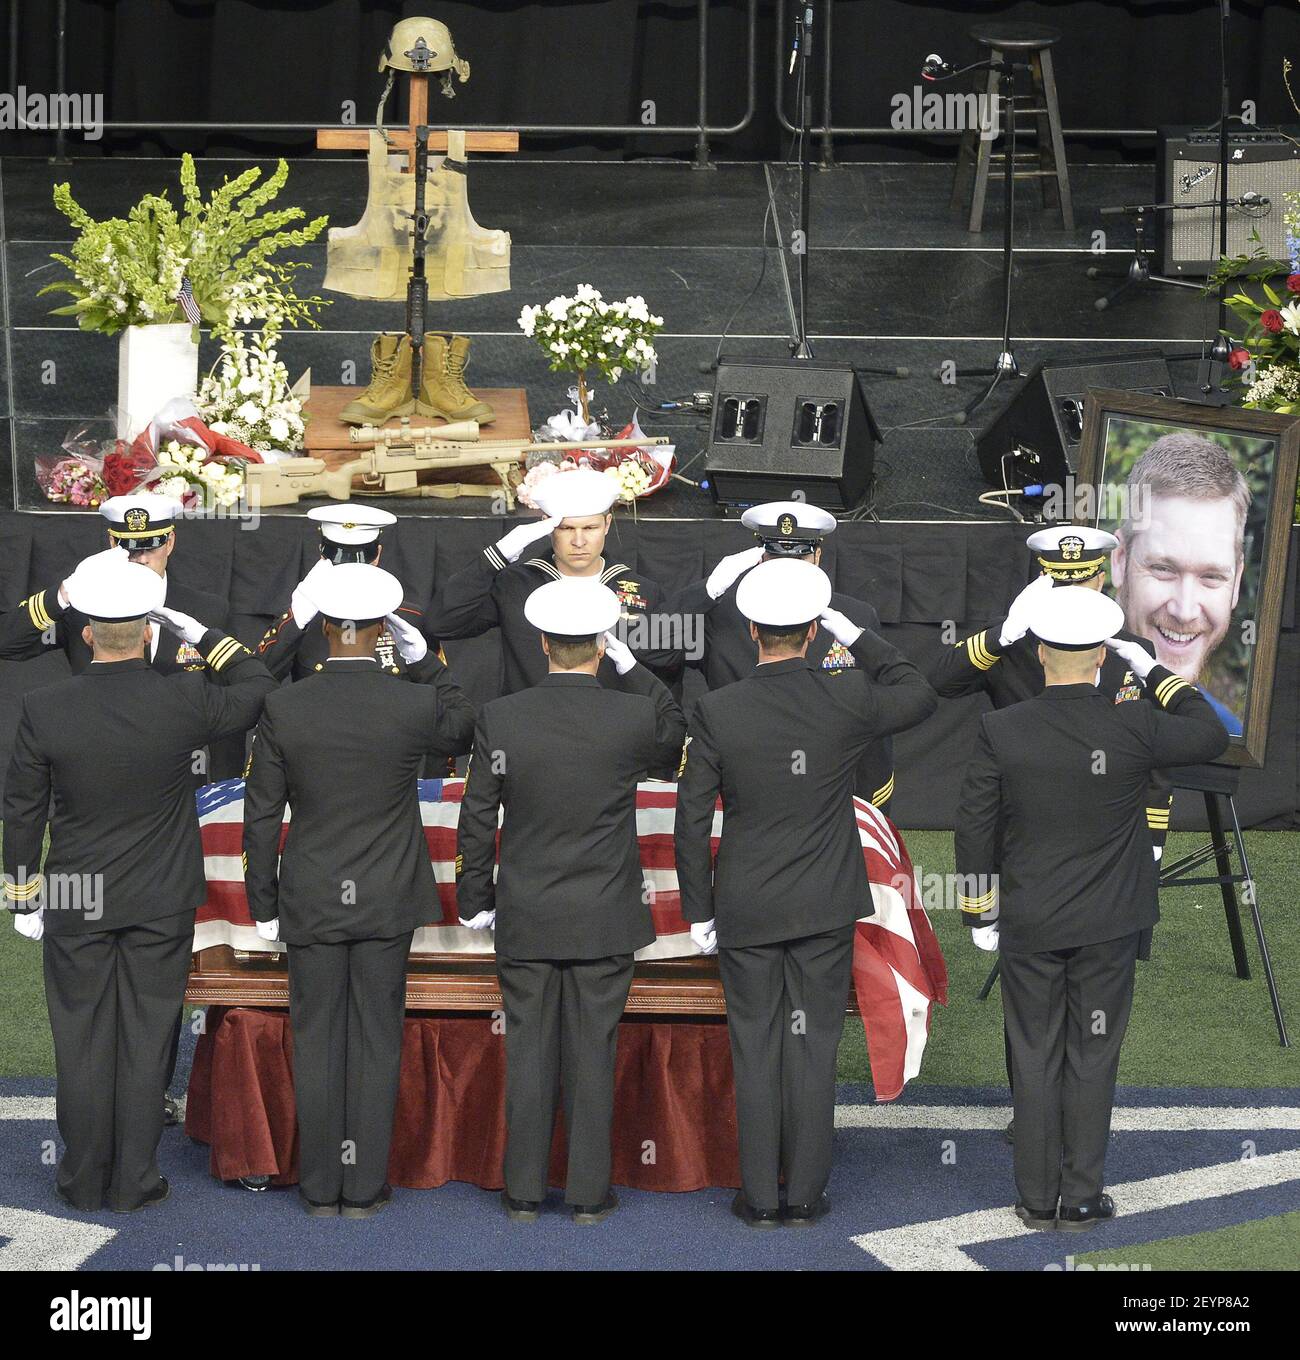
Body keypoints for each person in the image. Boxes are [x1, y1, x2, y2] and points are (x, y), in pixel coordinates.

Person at [2, 555, 274, 1212]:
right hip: (161, 894)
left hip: (76, 893)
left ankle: (82, 1179)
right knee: (149, 1034)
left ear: (87, 631)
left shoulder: (43, 706)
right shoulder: (183, 697)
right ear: (149, 631)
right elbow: (258, 682)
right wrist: (204, 635)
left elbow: (21, 811)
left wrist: (22, 893)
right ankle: (135, 1180)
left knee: (82, 1036)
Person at [954, 587, 1229, 1231]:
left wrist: (979, 911)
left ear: (1042, 652)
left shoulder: (1002, 727)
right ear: (1105, 656)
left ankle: (1034, 1198)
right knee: (1094, 1051)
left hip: (1030, 920)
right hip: (1110, 923)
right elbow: (1211, 734)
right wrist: (1155, 672)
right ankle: (1081, 1197)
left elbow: (974, 828)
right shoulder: (1133, 722)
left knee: (1034, 1050)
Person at [673, 559, 936, 1228]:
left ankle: (761, 1196)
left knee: (755, 1046)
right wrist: (863, 637)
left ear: (752, 629)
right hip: (823, 901)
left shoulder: (718, 709)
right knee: (814, 1045)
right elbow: (917, 691)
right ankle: (807, 1195)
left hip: (747, 901)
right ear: (816, 630)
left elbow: (691, 818)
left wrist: (699, 910)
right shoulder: (843, 694)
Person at [242, 563, 474, 1219]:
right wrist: (424, 661)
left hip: (312, 892)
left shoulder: (284, 707)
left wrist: (263, 903)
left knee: (316, 1039)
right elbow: (464, 723)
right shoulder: (413, 701)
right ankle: (364, 1185)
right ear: (382, 629)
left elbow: (262, 816)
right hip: (386, 893)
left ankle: (320, 1188)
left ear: (321, 630)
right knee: (376, 1037)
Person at [455, 577, 686, 1224]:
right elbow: (676, 730)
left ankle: (523, 1191)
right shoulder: (633, 715)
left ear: (543, 642)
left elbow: (478, 818)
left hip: (526, 911)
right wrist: (634, 667)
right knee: (593, 1050)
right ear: (599, 644)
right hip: (603, 914)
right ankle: (587, 1194)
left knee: (528, 1050)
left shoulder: (501, 716)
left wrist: (477, 899)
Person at [665, 500, 897, 810]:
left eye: (800, 556)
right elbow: (650, 647)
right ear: (760, 559)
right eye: (776, 556)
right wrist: (708, 591)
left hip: (824, 788)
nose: (787, 568)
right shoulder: (720, 614)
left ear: (818, 556)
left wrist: (870, 806)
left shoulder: (854, 615)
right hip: (740, 784)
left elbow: (874, 719)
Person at [425, 467, 683, 695]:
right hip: (530, 732)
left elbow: (668, 673)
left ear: (607, 524)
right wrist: (496, 557)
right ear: (547, 527)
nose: (579, 542)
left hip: (612, 738)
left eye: (590, 528)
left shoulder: (643, 592)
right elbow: (443, 623)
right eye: (567, 529)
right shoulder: (517, 585)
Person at [1111, 432, 1252, 735]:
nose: (1185, 611)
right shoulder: (1034, 689)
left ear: (1236, 582)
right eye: (1163, 569)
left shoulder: (1228, 734)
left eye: (1211, 577)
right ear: (1120, 561)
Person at [255, 504, 432, 680]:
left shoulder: (408, 619)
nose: (350, 571)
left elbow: (432, 692)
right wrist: (296, 621)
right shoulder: (301, 618)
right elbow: (256, 682)